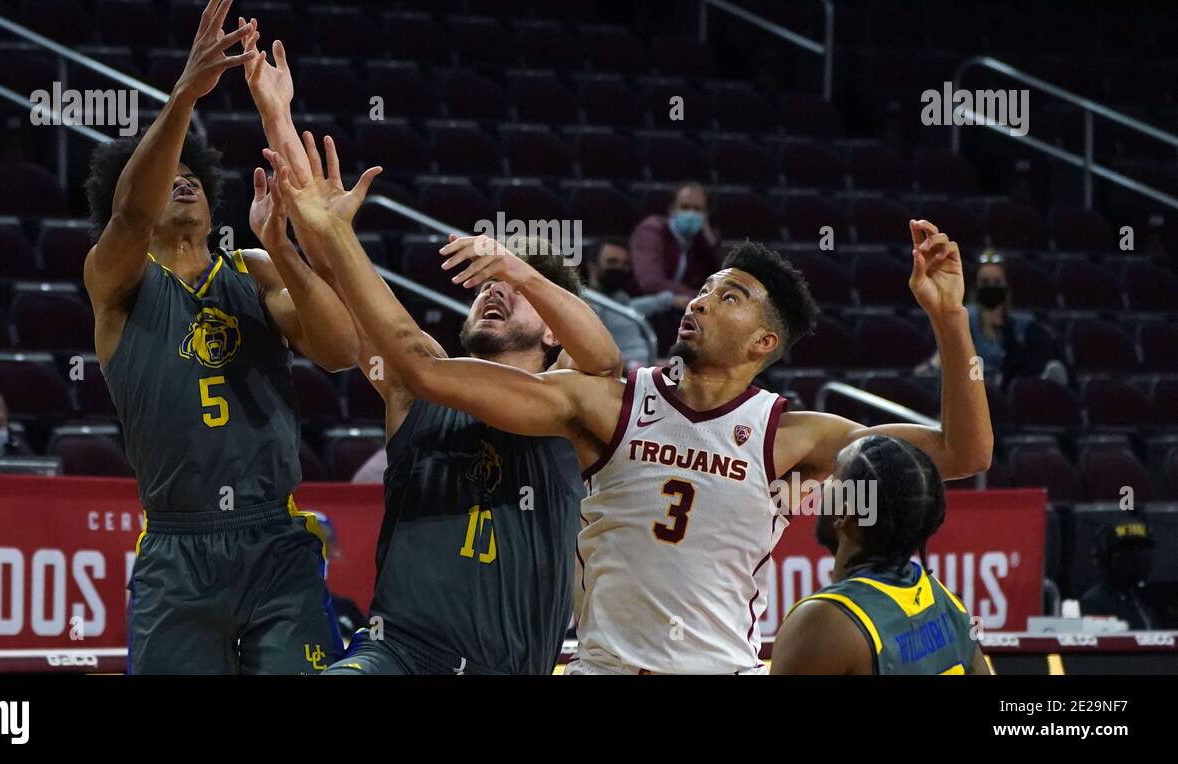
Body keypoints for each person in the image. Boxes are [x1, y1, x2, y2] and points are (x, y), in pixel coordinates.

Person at [268, 135, 994, 675]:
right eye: (705, 288)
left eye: (730, 298)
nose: (703, 301)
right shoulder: (610, 404)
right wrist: (331, 237)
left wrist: (951, 319)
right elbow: (426, 372)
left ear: (763, 342)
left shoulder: (789, 436)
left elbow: (963, 455)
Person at [246, 36, 623, 675]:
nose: (495, 289)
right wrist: (278, 116)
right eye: (490, 281)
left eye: (520, 283)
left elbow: (605, 359)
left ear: (553, 329)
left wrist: (520, 268)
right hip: (397, 655)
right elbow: (339, 260)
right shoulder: (416, 377)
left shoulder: (573, 404)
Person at [82, 0, 358, 674]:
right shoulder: (117, 282)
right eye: (164, 178)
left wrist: (286, 249)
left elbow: (343, 351)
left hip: (274, 538)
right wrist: (185, 95)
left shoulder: (256, 271)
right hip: (178, 546)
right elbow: (128, 218)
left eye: (192, 178)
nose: (182, 183)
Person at [770, 436, 989, 675]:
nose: (822, 486)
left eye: (834, 477)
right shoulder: (947, 604)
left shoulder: (825, 623)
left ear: (845, 512)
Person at [915, 252, 1064, 388]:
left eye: (997, 283)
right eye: (986, 283)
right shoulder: (964, 317)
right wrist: (933, 366)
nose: (992, 287)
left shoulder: (1021, 326)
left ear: (1006, 287)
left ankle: (1044, 383)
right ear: (977, 287)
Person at [586, 237, 681, 366]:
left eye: (625, 264)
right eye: (612, 262)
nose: (619, 268)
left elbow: (632, 308)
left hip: (648, 365)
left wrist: (670, 300)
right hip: (628, 374)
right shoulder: (589, 303)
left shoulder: (618, 298)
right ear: (592, 265)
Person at [629, 182, 721, 300]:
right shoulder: (651, 231)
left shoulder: (701, 240)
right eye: (685, 207)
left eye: (697, 209)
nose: (691, 214)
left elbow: (721, 280)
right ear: (672, 209)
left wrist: (711, 243)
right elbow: (651, 282)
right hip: (640, 306)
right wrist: (699, 297)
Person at [1078, 519, 1160, 630]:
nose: (1136, 557)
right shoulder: (1094, 603)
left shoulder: (1144, 598)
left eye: (1140, 550)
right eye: (1127, 551)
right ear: (1105, 559)